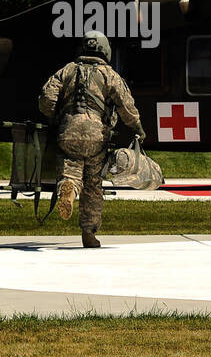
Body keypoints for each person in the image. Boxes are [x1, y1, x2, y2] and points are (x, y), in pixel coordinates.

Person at [38, 31, 144, 248]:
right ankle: (89, 233)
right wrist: (137, 127)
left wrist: (55, 115)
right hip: (97, 137)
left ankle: (68, 187)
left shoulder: (66, 71)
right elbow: (126, 105)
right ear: (105, 51)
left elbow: (46, 100)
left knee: (71, 171)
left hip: (68, 133)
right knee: (93, 185)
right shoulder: (110, 75)